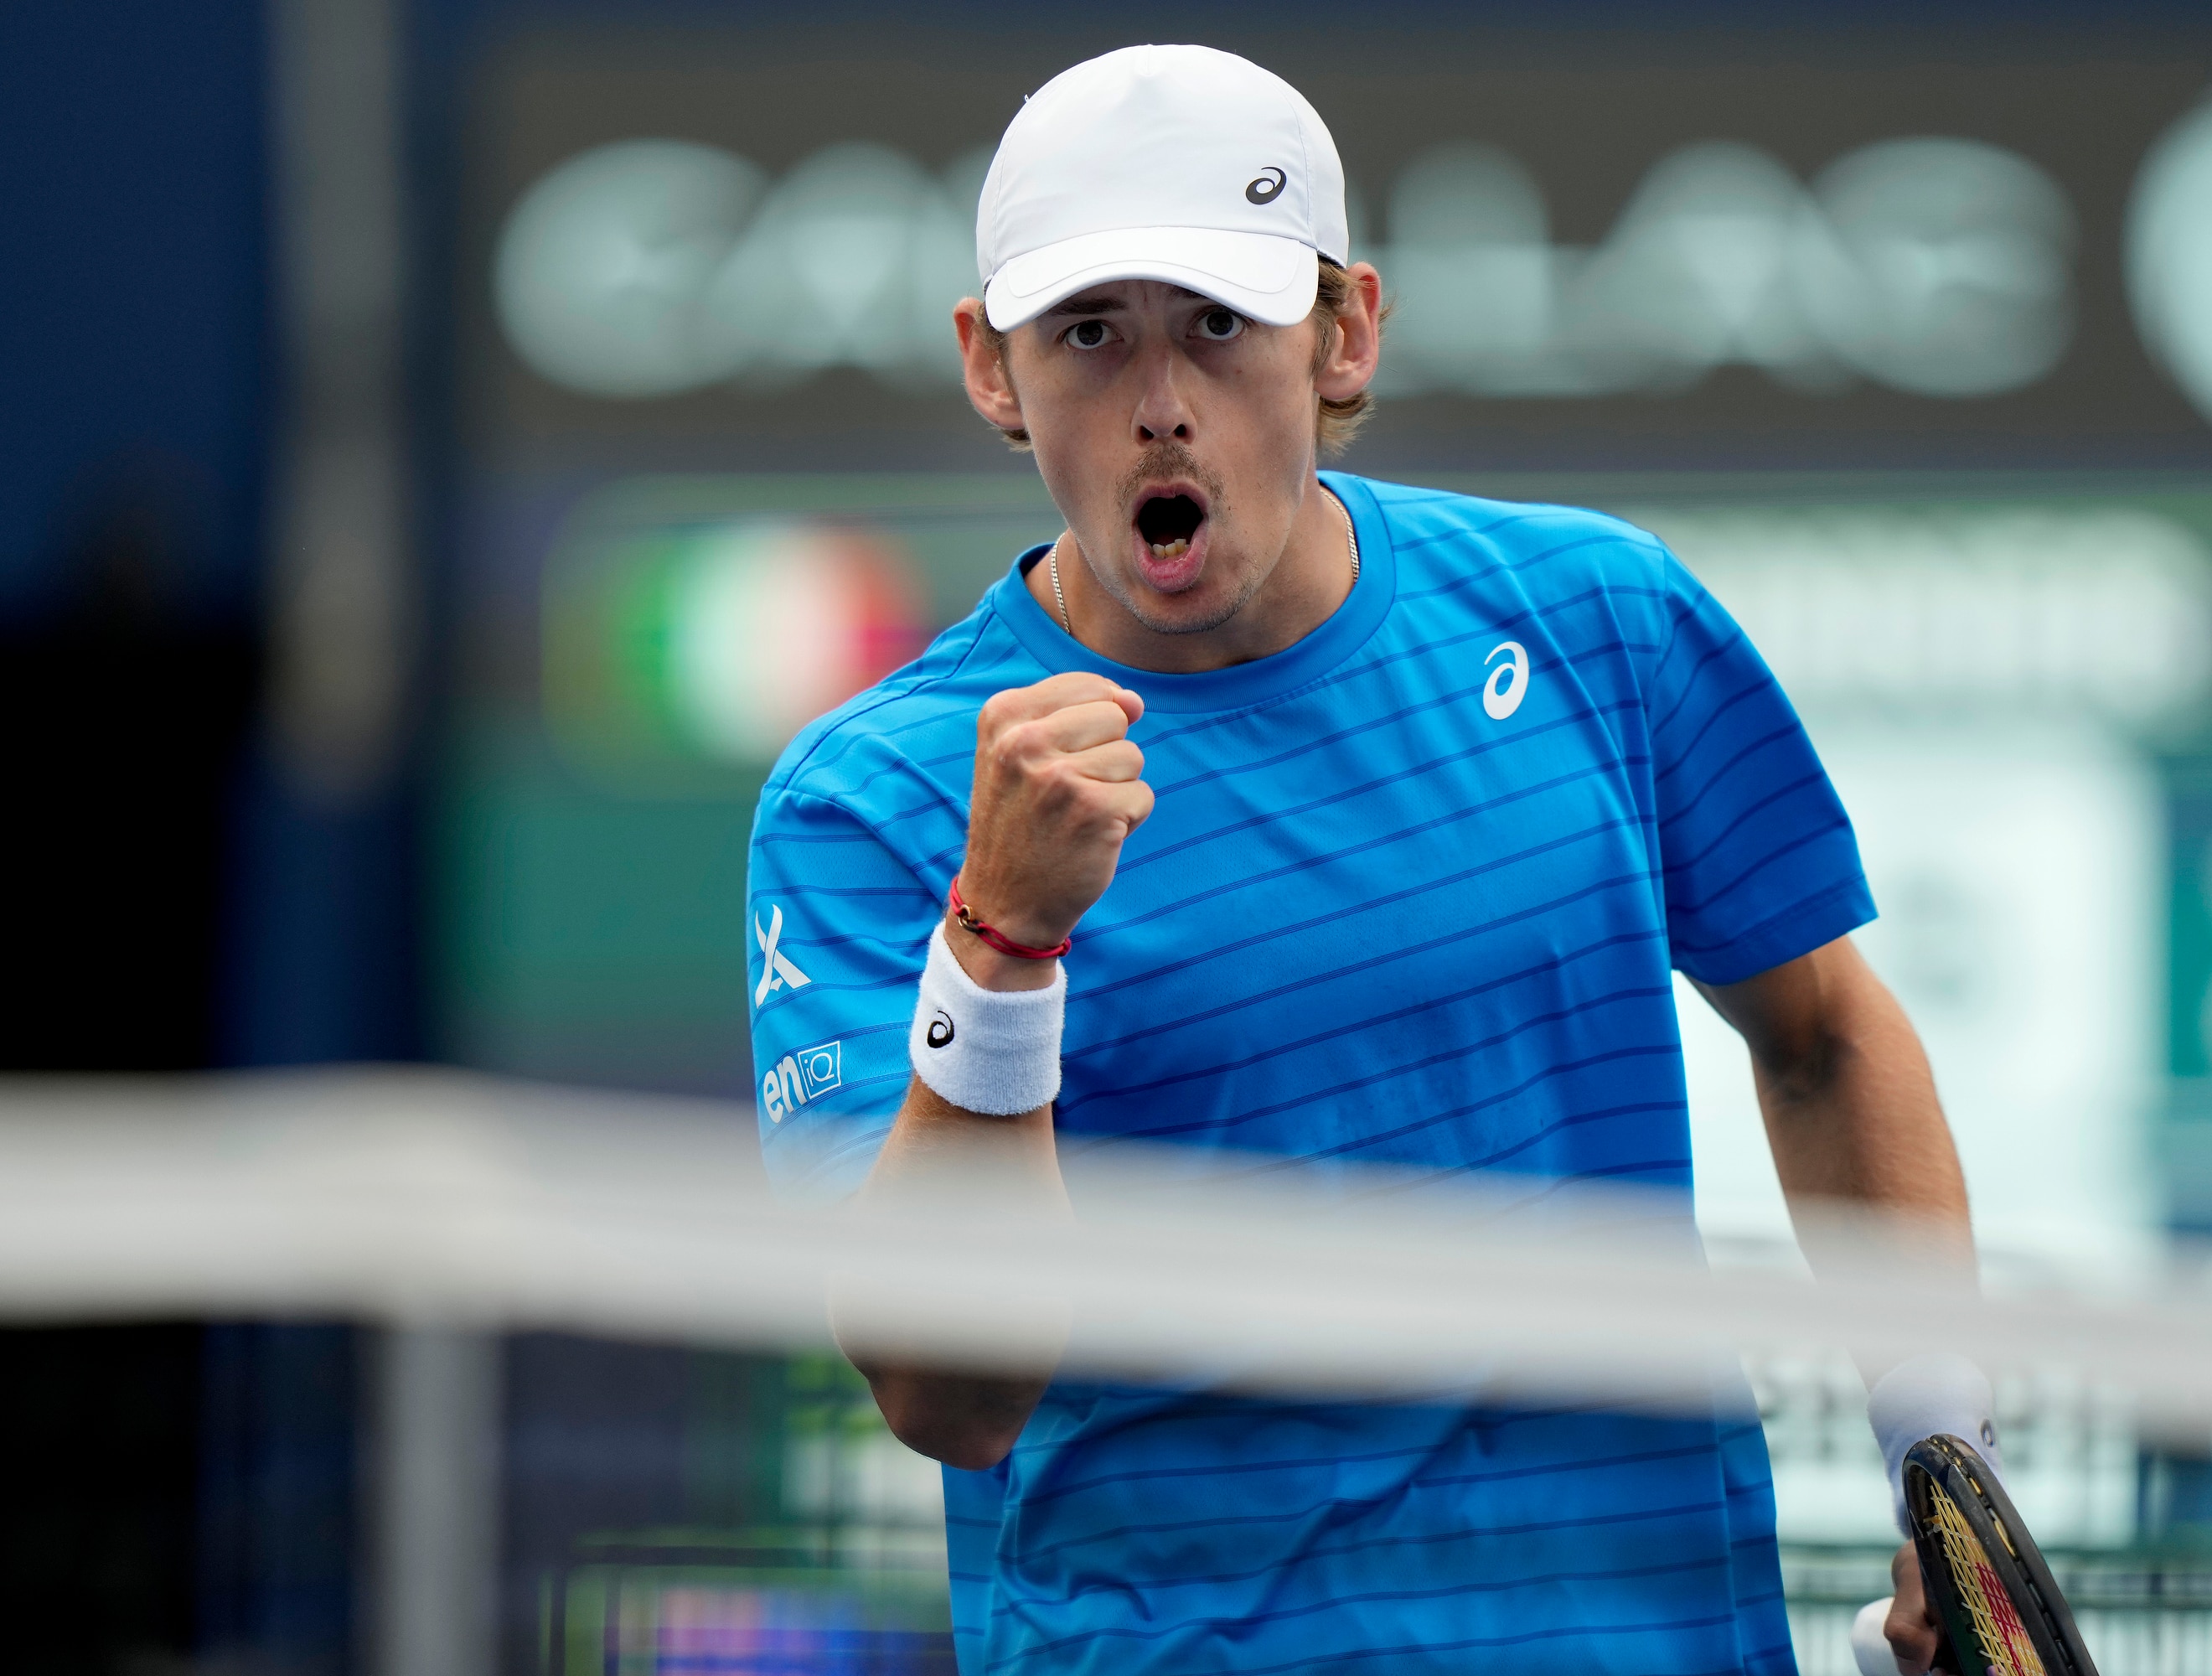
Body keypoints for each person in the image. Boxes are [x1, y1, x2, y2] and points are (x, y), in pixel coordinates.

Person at [747, 43, 1977, 1676]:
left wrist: (1946, 1481)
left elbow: (1824, 1038)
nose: (1163, 401)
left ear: (1346, 336)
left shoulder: (1602, 618)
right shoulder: (872, 804)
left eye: (1221, 326)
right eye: (1091, 335)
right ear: (992, 369)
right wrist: (1002, 943)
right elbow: (947, 1397)